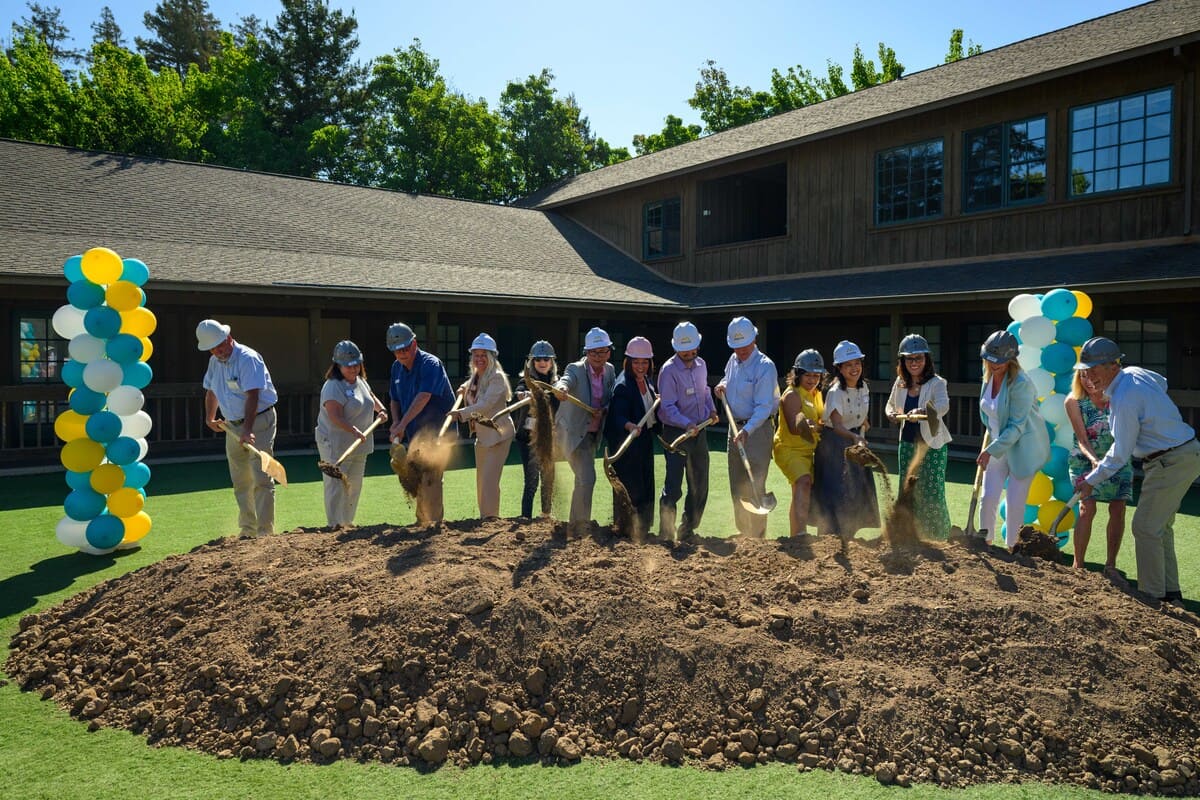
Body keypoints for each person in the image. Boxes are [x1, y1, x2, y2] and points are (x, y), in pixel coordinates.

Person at [1073, 336, 1200, 605]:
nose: (1089, 376)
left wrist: (1091, 480)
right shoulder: (1135, 373)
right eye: (1086, 370)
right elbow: (1161, 383)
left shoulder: (1123, 399)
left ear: (1113, 366)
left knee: (1144, 527)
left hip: (1170, 459)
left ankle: (1153, 596)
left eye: (1095, 369)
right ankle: (1170, 593)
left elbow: (1121, 452)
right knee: (1159, 526)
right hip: (1182, 453)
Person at [198, 318, 278, 538]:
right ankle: (248, 530)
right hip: (232, 427)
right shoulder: (215, 362)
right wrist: (210, 417)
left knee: (262, 478)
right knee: (240, 480)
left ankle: (265, 533)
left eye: (220, 346)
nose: (218, 351)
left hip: (259, 422)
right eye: (212, 349)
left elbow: (253, 395)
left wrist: (248, 429)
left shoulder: (248, 358)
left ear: (229, 338)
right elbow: (211, 391)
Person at [976, 330, 1050, 550]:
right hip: (997, 443)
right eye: (989, 360)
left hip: (1023, 447)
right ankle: (984, 542)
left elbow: (1016, 427)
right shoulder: (987, 374)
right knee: (988, 497)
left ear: (1011, 359)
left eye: (999, 361)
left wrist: (990, 450)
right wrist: (991, 442)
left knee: (1015, 504)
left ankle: (1013, 549)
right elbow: (991, 414)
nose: (993, 365)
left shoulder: (1022, 384)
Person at [715, 317, 779, 538]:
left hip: (757, 431)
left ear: (754, 339)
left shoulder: (764, 367)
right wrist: (722, 385)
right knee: (737, 485)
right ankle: (743, 534)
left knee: (755, 484)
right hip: (735, 428)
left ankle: (757, 537)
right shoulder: (733, 360)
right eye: (736, 346)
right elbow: (728, 378)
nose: (740, 350)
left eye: (744, 345)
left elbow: (764, 407)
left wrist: (747, 430)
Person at [386, 322, 456, 525]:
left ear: (414, 344)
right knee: (416, 476)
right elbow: (394, 399)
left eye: (406, 348)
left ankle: (431, 523)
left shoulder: (430, 364)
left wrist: (401, 424)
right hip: (415, 432)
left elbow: (423, 397)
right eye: (397, 350)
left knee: (430, 477)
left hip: (438, 430)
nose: (402, 353)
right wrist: (397, 422)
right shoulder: (396, 368)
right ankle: (422, 521)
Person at [884, 334, 953, 539]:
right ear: (903, 362)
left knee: (932, 493)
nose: (914, 363)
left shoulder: (937, 382)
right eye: (909, 359)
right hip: (906, 445)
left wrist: (922, 411)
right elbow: (889, 405)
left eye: (918, 358)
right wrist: (891, 414)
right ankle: (909, 535)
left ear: (926, 360)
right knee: (908, 491)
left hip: (932, 445)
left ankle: (938, 537)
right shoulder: (900, 382)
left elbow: (943, 406)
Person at [1065, 366, 1132, 574]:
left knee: (1118, 509)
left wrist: (1108, 462)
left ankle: (1110, 565)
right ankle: (1079, 565)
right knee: (1087, 508)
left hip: (1117, 458)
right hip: (1084, 461)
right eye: (1082, 376)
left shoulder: (1119, 398)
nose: (1088, 380)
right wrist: (1095, 460)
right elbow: (1083, 439)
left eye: (1091, 375)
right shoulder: (1073, 401)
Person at [316, 340, 387, 529]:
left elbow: (370, 397)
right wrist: (354, 430)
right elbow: (334, 415)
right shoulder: (333, 386)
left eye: (357, 364)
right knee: (337, 484)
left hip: (359, 442)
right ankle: (335, 524)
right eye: (348, 366)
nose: (353, 369)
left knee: (354, 484)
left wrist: (381, 410)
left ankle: (347, 521)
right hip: (336, 442)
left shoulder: (361, 382)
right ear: (338, 366)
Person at [657, 321, 718, 540]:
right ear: (676, 348)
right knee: (673, 485)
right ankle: (666, 532)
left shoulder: (701, 365)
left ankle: (687, 529)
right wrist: (686, 424)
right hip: (676, 433)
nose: (689, 353)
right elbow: (667, 407)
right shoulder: (669, 371)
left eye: (692, 349)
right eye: (684, 351)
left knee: (700, 483)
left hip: (699, 431)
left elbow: (705, 391)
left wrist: (711, 410)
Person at [812, 340, 879, 538]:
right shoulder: (835, 392)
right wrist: (855, 436)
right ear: (839, 368)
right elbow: (837, 425)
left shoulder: (864, 388)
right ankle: (829, 536)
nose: (854, 368)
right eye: (848, 365)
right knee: (836, 489)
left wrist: (863, 422)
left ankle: (849, 533)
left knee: (856, 489)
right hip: (835, 445)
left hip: (855, 440)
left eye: (857, 363)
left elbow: (858, 411)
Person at [554, 327, 616, 531]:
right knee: (587, 477)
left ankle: (577, 523)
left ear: (609, 351)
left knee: (583, 479)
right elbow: (566, 380)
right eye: (593, 352)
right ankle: (580, 524)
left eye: (602, 351)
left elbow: (611, 398)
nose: (597, 357)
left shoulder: (610, 371)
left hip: (592, 433)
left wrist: (604, 410)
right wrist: (561, 389)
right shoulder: (576, 369)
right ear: (586, 353)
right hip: (572, 432)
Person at [450, 333, 516, 520]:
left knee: (489, 480)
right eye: (476, 355)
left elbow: (485, 404)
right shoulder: (476, 377)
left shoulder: (497, 378)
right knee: (481, 481)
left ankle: (490, 518)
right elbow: (470, 386)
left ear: (492, 356)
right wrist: (463, 388)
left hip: (498, 435)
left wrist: (460, 414)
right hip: (482, 435)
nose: (479, 359)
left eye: (483, 355)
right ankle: (485, 517)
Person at [604, 336, 660, 534]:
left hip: (643, 440)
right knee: (631, 486)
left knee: (646, 483)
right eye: (636, 362)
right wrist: (629, 426)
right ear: (628, 362)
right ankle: (627, 529)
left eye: (645, 362)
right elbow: (617, 415)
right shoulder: (623, 386)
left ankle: (643, 529)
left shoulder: (646, 381)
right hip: (626, 444)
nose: (641, 366)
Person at [773, 349, 825, 537]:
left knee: (801, 489)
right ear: (798, 374)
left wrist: (818, 425)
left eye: (816, 375)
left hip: (808, 449)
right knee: (803, 482)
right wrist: (808, 424)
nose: (812, 380)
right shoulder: (792, 395)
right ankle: (801, 534)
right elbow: (796, 427)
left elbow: (820, 419)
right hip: (789, 448)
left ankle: (795, 535)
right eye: (807, 375)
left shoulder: (816, 393)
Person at [512, 340, 559, 518]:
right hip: (528, 438)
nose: (542, 362)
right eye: (538, 359)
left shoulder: (557, 384)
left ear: (551, 362)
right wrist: (525, 394)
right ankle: (526, 518)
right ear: (532, 362)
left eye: (546, 359)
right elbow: (520, 391)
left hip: (548, 438)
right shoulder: (526, 381)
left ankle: (546, 515)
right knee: (531, 480)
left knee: (548, 478)